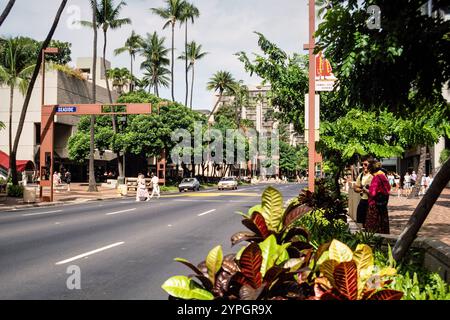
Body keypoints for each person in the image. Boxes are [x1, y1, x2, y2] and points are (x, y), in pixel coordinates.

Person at [365, 161, 391, 234]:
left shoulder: (376, 178)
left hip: (374, 205)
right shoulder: (384, 177)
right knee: (383, 226)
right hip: (383, 205)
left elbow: (372, 193)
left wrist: (365, 190)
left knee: (373, 229)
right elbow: (388, 188)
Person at [353, 157, 373, 226]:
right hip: (363, 200)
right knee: (362, 223)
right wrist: (362, 190)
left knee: (370, 223)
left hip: (371, 202)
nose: (363, 166)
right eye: (363, 164)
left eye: (365, 164)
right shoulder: (361, 175)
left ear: (370, 165)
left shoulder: (373, 175)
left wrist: (365, 189)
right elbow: (355, 188)